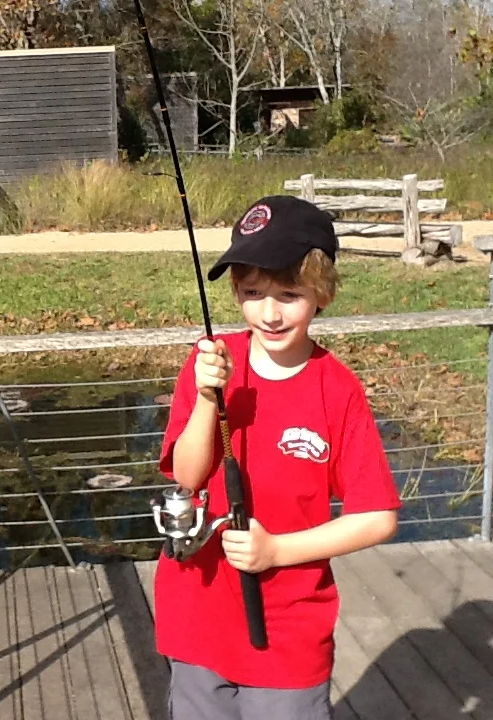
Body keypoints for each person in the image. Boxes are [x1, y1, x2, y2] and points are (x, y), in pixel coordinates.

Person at [155, 195, 401, 720]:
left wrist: (276, 551)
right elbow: (188, 476)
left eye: (289, 294)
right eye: (252, 293)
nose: (269, 314)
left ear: (322, 294)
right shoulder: (211, 362)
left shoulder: (338, 390)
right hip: (196, 617)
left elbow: (377, 517)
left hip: (288, 633)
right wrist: (207, 397)